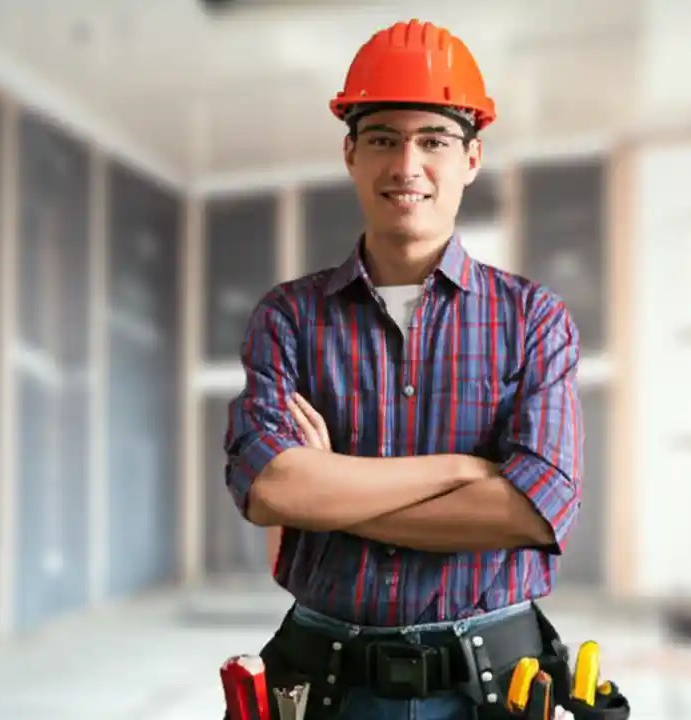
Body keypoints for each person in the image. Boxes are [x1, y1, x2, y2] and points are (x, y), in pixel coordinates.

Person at [223, 18, 584, 720]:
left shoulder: (533, 319)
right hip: (326, 686)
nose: (407, 165)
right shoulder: (287, 318)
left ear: (472, 158)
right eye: (384, 138)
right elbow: (270, 488)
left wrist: (333, 492)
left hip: (493, 686)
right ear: (351, 154)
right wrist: (460, 469)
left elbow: (538, 508)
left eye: (434, 140)